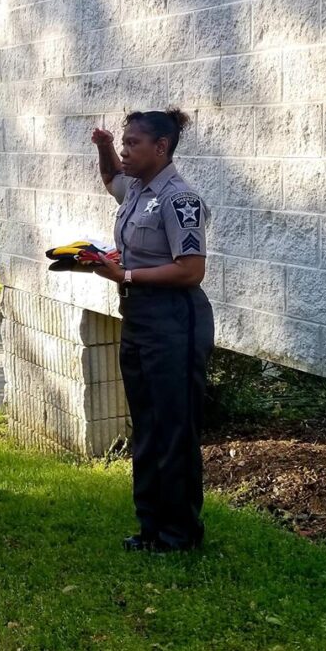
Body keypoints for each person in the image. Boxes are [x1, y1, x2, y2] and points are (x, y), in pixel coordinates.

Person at [91, 107, 214, 552]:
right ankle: (150, 527)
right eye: (123, 143)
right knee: (145, 424)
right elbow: (111, 181)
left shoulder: (179, 198)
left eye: (132, 144)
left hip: (174, 322)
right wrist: (105, 148)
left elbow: (191, 271)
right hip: (140, 318)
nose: (125, 151)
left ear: (161, 147)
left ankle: (180, 534)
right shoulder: (138, 190)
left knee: (173, 428)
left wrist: (123, 276)